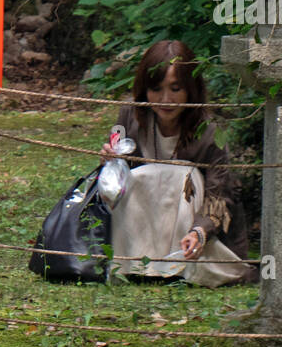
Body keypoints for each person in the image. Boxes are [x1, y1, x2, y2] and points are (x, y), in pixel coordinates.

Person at [100, 40, 255, 286]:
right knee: (140, 175)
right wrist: (111, 158)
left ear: (190, 90)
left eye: (175, 89)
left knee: (183, 175)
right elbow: (116, 161)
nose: (165, 99)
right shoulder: (130, 114)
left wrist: (200, 231)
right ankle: (132, 263)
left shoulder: (209, 128)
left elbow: (220, 193)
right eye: (156, 89)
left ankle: (178, 263)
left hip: (192, 222)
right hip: (142, 218)